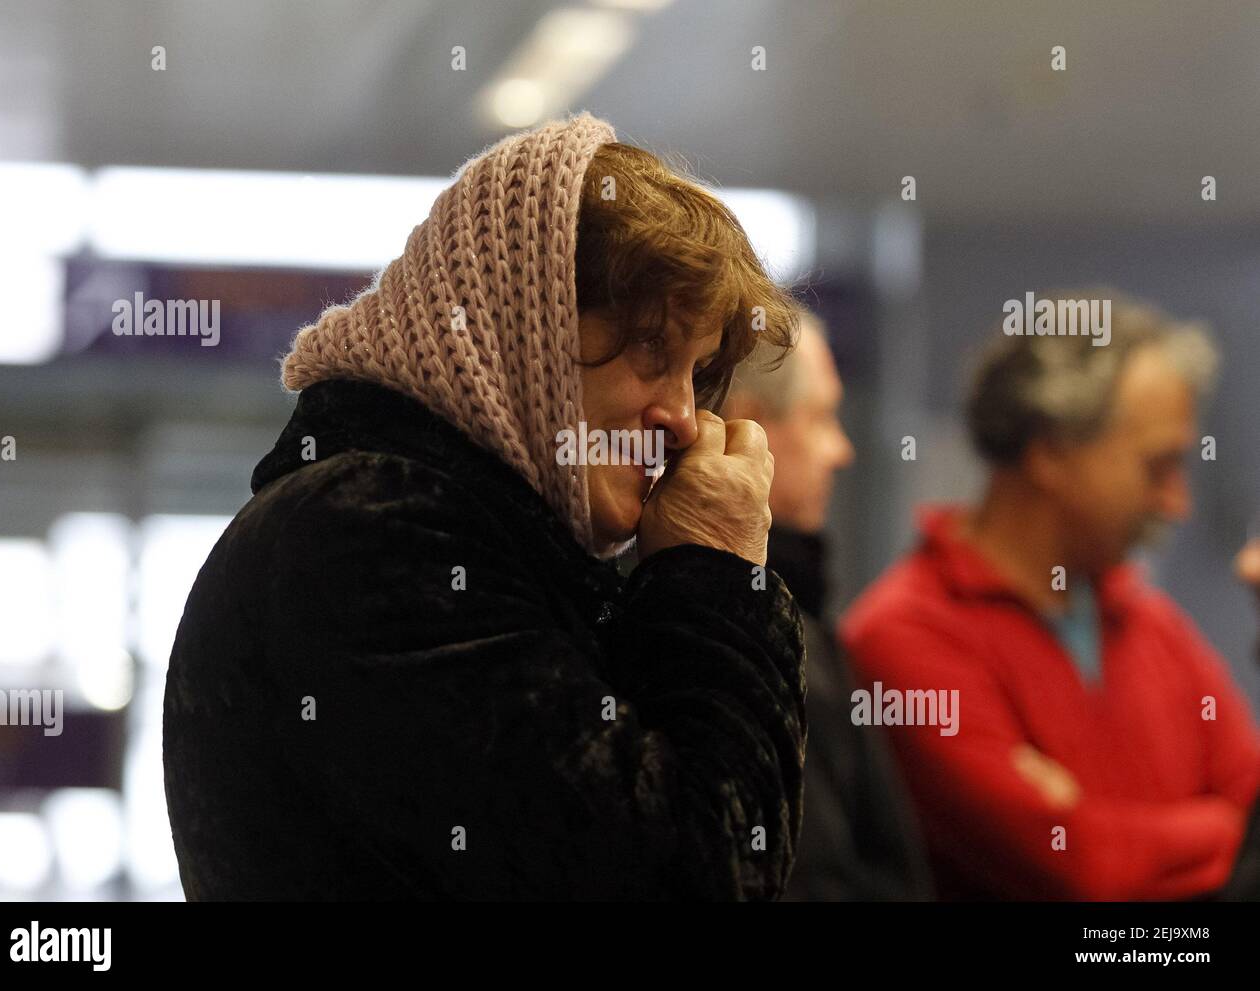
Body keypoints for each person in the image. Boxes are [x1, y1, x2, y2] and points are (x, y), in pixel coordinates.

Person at [162, 112, 809, 900]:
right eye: (650, 350)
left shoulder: (462, 534)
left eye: (695, 371)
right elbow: (694, 874)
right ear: (522, 325)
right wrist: (711, 571)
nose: (681, 415)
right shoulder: (373, 533)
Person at [841, 289, 1260, 900]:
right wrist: (1217, 829)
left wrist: (1098, 820)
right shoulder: (902, 637)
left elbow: (1254, 816)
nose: (1177, 502)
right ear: (1053, 452)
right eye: (1156, 467)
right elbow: (1075, 866)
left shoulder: (1150, 623)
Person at [725, 308, 933, 900]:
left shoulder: (791, 607)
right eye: (821, 418)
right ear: (749, 430)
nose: (842, 451)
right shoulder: (760, 627)